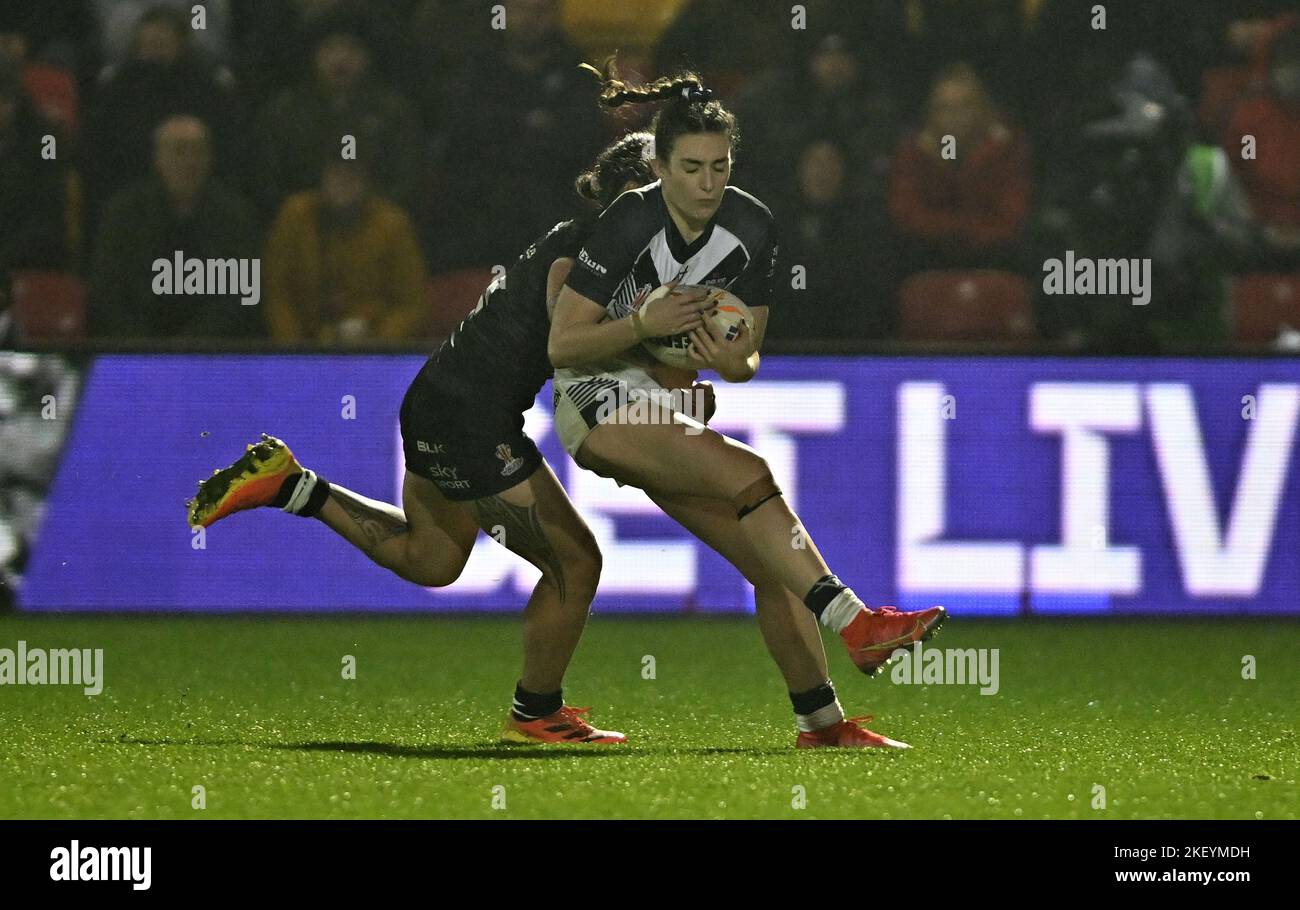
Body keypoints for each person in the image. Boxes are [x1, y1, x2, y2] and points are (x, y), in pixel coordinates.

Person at [548, 65, 946, 747]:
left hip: (664, 404)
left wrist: (735, 362)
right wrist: (646, 327)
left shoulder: (752, 224)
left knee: (776, 562)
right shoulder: (628, 220)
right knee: (751, 475)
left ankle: (821, 724)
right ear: (661, 168)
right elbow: (563, 344)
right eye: (692, 167)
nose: (708, 183)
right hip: (595, 398)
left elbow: (745, 356)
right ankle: (858, 624)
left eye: (720, 166)